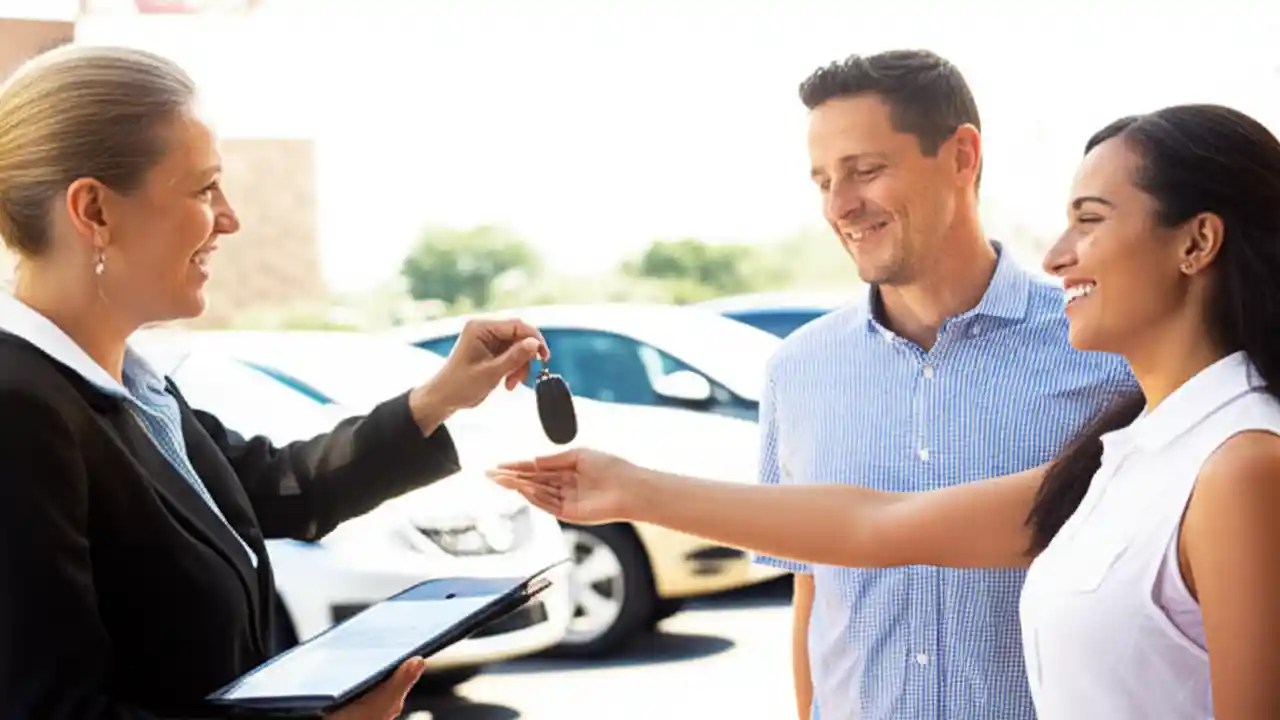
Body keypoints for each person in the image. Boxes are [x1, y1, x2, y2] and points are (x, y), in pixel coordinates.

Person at [491, 101, 1280, 719]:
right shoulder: (1134, 453)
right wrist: (630, 489)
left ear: (1197, 241)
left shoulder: (1245, 466)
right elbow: (876, 526)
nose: (1055, 252)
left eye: (1091, 219)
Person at [0, 44, 549, 719]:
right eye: (204, 189)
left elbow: (280, 488)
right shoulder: (19, 410)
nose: (230, 217)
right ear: (94, 211)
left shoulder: (133, 393)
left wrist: (439, 398)